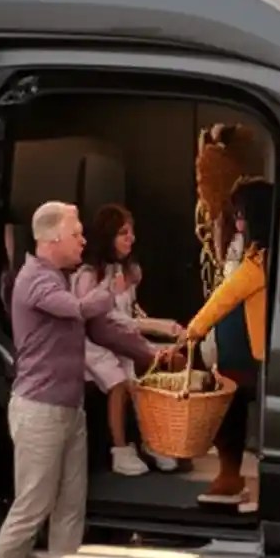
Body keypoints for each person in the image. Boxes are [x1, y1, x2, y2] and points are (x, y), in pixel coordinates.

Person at [0, 200, 175, 558]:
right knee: (33, 504)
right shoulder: (35, 281)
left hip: (69, 410)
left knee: (71, 507)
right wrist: (115, 286)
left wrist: (151, 356)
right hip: (39, 410)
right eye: (77, 233)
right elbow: (81, 311)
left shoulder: (63, 279)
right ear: (52, 239)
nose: (84, 240)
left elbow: (100, 327)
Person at [73, 204, 189, 476]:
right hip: (91, 344)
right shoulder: (89, 276)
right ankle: (121, 449)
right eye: (123, 233)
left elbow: (129, 315)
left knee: (140, 375)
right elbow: (101, 321)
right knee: (119, 382)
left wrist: (158, 327)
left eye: (131, 232)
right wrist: (162, 328)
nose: (131, 238)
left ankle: (153, 440)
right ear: (107, 237)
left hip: (117, 341)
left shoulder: (125, 272)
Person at [184, 178, 272, 509]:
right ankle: (231, 478)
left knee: (238, 416)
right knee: (234, 412)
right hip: (240, 349)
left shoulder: (258, 259)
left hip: (249, 350)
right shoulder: (251, 251)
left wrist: (192, 330)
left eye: (242, 215)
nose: (237, 222)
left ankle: (235, 479)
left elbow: (226, 296)